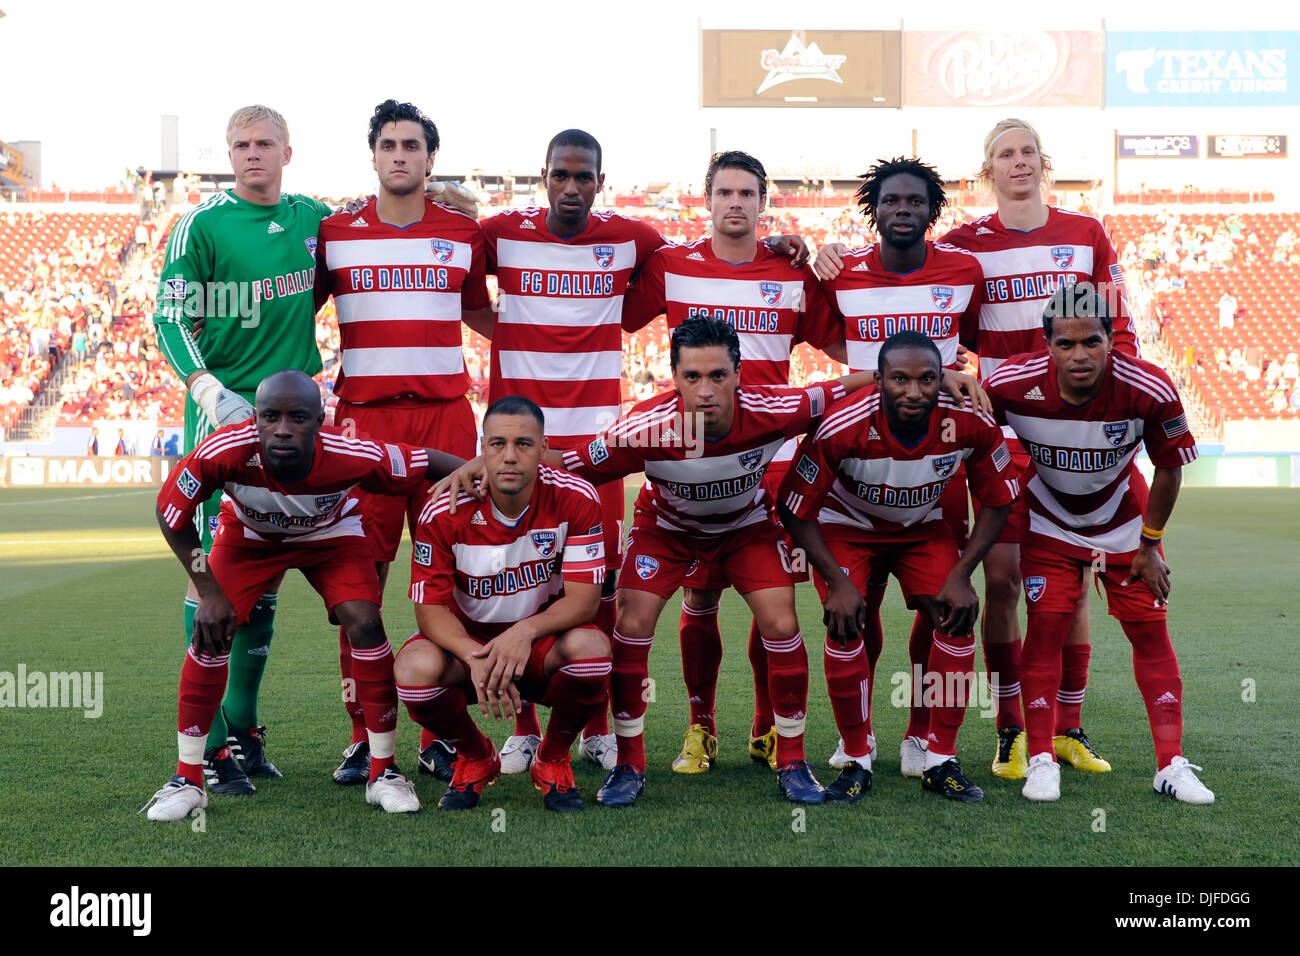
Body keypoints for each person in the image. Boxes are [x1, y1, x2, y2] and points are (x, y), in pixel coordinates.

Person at [435, 318, 876, 807]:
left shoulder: (777, 408)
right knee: (632, 621)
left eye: (717, 376)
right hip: (665, 531)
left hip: (744, 529)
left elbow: (841, 386)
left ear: (738, 373)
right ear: (673, 376)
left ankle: (793, 762)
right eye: (692, 377)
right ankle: (629, 763)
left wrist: (939, 376)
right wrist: (488, 463)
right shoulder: (646, 425)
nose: (705, 390)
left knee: (781, 621)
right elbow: (570, 461)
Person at [816, 118, 1142, 780]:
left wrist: (1113, 405)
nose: (1017, 162)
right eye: (1004, 154)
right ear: (987, 169)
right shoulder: (964, 247)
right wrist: (811, 250)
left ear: (1042, 161)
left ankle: (1067, 726)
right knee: (995, 580)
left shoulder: (1083, 234)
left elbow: (1118, 328)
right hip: (995, 435)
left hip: (1071, 432)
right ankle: (1011, 729)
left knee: (1071, 586)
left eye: (1027, 151)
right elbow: (899, 332)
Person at [140, 370, 468, 821]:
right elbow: (169, 511)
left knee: (366, 622)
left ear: (320, 420)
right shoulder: (225, 450)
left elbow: (422, 460)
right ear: (255, 419)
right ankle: (187, 780)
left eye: (297, 417)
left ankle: (384, 772)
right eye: (270, 416)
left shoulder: (350, 453)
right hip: (249, 537)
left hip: (331, 538)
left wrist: (481, 469)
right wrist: (209, 590)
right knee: (210, 630)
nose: (282, 428)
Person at [620, 150, 844, 775]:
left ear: (763, 201)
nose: (736, 203)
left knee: (771, 598)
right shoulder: (672, 265)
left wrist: (826, 261)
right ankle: (701, 726)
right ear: (708, 199)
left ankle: (768, 726)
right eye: (725, 192)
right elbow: (609, 311)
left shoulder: (789, 268)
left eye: (748, 193)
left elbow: (843, 343)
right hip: (691, 455)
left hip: (773, 452)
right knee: (700, 602)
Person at [152, 105, 334, 795]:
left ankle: (245, 727)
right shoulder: (201, 224)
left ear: (289, 150)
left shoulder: (315, 217)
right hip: (225, 416)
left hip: (293, 422)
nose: (251, 154)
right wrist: (205, 389)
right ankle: (215, 746)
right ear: (229, 153)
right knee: (210, 577)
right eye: (240, 144)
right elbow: (168, 314)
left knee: (268, 567)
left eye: (264, 143)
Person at [314, 100, 491, 786]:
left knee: (457, 579)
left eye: (410, 144)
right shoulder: (334, 233)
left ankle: (442, 734)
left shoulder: (462, 233)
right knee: (360, 586)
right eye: (387, 144)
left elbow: (481, 314)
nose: (398, 154)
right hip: (365, 425)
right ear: (373, 155)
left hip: (447, 419)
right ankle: (364, 735)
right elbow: (292, 315)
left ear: (429, 158)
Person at [983, 284, 1212, 805]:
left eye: (1091, 341)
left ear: (1113, 340)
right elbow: (974, 430)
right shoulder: (1012, 383)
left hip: (1126, 525)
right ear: (1047, 345)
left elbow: (1170, 468)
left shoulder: (1149, 387)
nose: (1079, 355)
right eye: (1065, 344)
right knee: (1045, 630)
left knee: (1150, 633)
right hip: (1048, 521)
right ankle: (1041, 757)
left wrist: (1150, 545)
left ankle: (1170, 764)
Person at [777, 332, 1017, 802]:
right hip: (847, 526)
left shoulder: (969, 419)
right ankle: (856, 756)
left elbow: (998, 500)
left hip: (920, 527)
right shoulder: (842, 423)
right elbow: (795, 508)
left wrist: (961, 573)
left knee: (957, 619)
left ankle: (940, 758)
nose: (913, 391)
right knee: (844, 623)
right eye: (899, 379)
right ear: (879, 380)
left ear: (941, 379)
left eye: (926, 379)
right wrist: (837, 579)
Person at [815, 157, 988, 776]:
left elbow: (980, 340)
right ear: (874, 208)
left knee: (937, 605)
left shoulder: (964, 271)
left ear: (933, 209)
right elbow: (822, 332)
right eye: (891, 200)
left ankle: (920, 733)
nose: (904, 209)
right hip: (860, 455)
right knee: (857, 606)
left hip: (936, 460)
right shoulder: (842, 272)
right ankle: (857, 737)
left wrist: (959, 378)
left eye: (917, 200)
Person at [395, 396, 611, 812]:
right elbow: (430, 610)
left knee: (592, 653)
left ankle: (552, 760)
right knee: (412, 670)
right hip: (469, 645)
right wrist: (473, 657)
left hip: (540, 646)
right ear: (482, 448)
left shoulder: (576, 497)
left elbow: (585, 603)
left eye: (524, 444)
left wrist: (524, 633)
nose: (510, 457)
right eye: (497, 444)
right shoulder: (443, 509)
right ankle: (477, 756)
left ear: (544, 449)